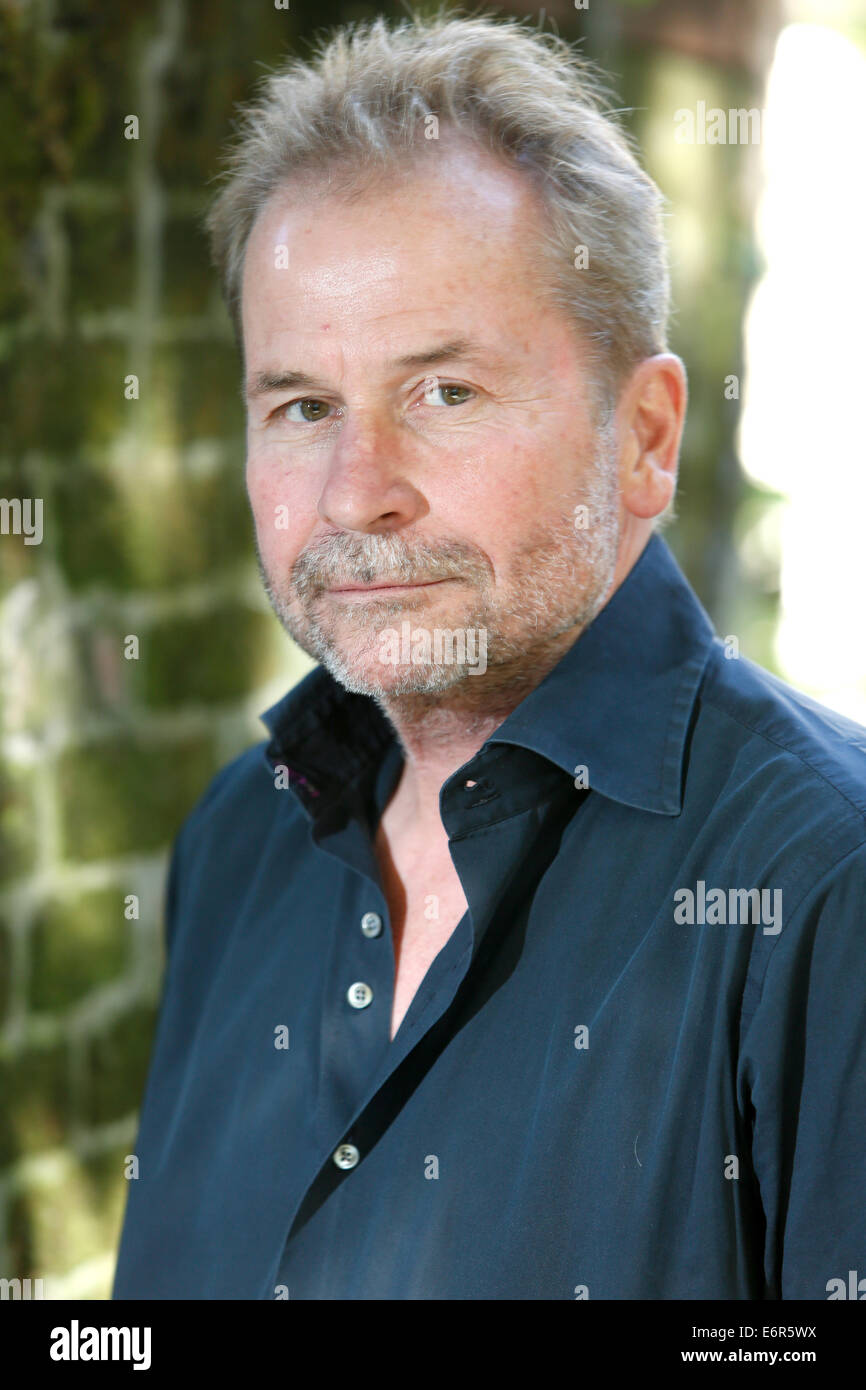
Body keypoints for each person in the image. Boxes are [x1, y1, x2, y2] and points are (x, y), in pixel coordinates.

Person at [113, 12, 866, 1300]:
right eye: (302, 406)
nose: (358, 495)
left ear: (644, 435)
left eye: (444, 392)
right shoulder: (237, 842)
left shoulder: (825, 890)